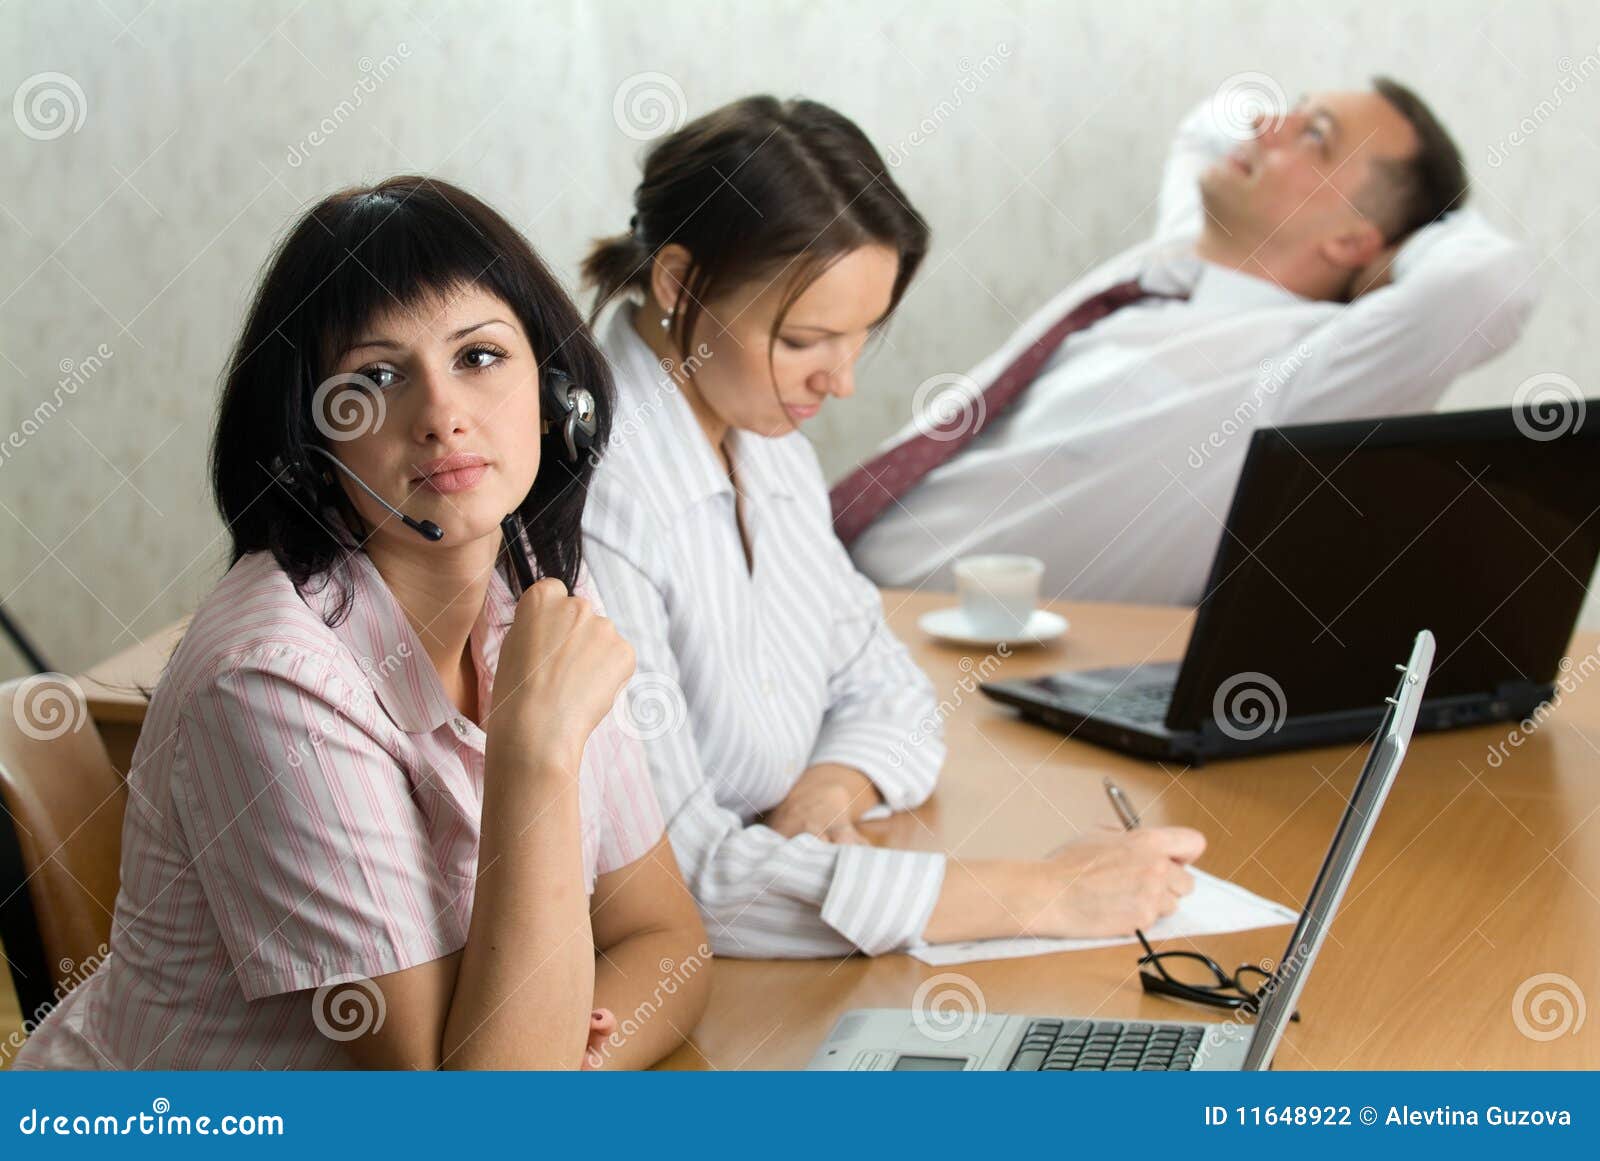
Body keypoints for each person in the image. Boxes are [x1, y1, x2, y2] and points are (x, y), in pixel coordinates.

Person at [12, 177, 708, 1070]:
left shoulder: (536, 579)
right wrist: (534, 753)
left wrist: (568, 1062)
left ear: (556, 393)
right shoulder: (270, 681)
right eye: (377, 377)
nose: (443, 416)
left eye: (480, 356)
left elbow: (665, 938)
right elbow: (469, 1118)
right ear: (313, 436)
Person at [580, 96, 1205, 959]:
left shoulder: (765, 445)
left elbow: (886, 686)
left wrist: (830, 789)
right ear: (679, 283)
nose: (840, 382)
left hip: (787, 896)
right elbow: (672, 882)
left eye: (860, 337)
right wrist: (1045, 891)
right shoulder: (597, 499)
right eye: (804, 340)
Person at [837, 78, 1539, 602]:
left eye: (1316, 136)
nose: (1266, 122)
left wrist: (1415, 234)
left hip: (934, 643)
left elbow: (1489, 286)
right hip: (820, 581)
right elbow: (1211, 119)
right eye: (1291, 109)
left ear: (1354, 238)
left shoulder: (1315, 371)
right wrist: (1306, 135)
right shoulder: (1176, 254)